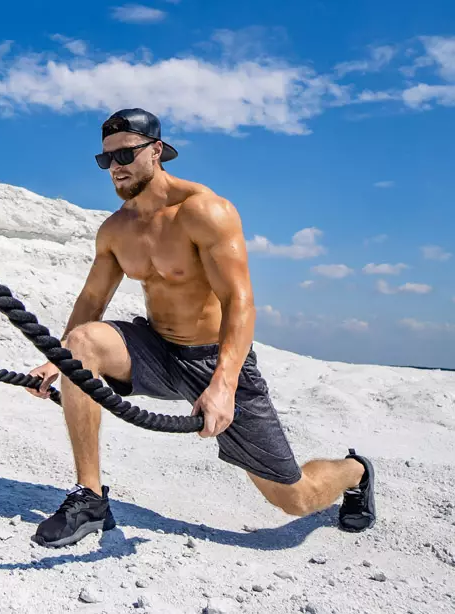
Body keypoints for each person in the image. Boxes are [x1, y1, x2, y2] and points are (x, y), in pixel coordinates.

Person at [25, 108, 377, 548]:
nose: (115, 167)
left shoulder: (204, 211)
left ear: (156, 151)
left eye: (127, 154)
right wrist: (53, 362)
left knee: (294, 497)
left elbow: (239, 302)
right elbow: (92, 302)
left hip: (215, 359)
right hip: (157, 350)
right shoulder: (115, 230)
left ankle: (356, 470)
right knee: (80, 344)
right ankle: (90, 498)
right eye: (106, 159)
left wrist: (224, 383)